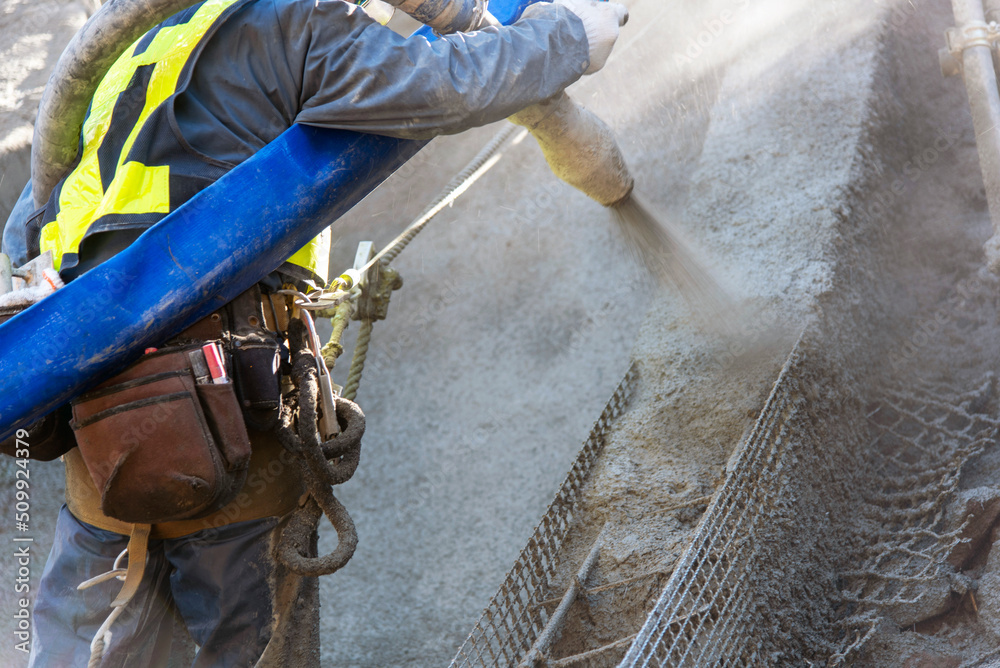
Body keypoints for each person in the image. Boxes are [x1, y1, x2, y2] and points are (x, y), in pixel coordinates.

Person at [2, 0, 629, 665]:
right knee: (252, 650)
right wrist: (569, 37)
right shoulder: (292, 19)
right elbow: (438, 84)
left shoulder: (124, 53)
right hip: (230, 430)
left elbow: (25, 235)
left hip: (103, 451)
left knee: (83, 648)